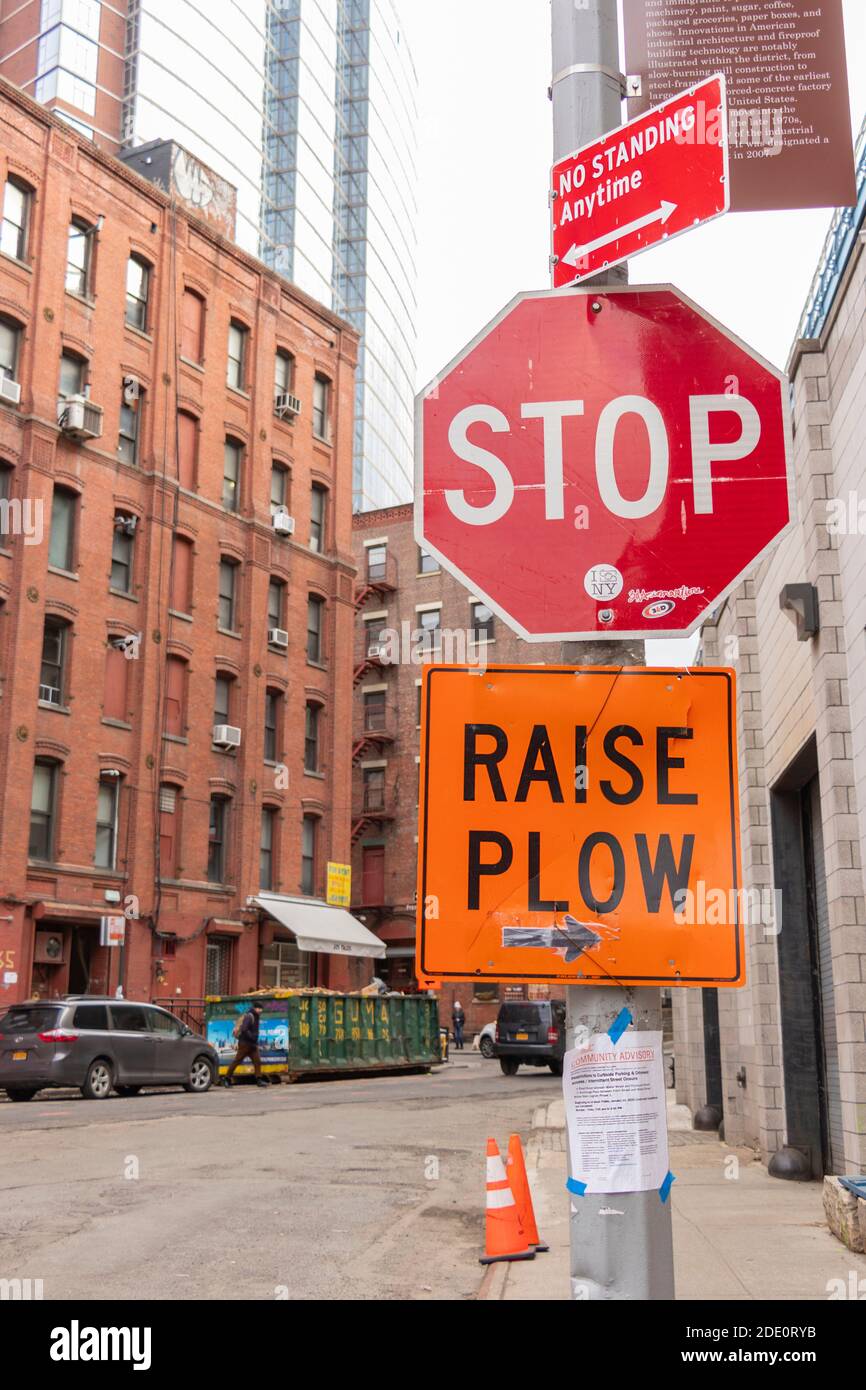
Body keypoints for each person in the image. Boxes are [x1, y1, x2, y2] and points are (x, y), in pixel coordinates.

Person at [222, 1003, 268, 1087]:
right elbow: (244, 1029)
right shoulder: (249, 1016)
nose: (261, 1011)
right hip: (245, 1044)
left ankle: (259, 1080)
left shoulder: (256, 1016)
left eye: (261, 1009)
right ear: (255, 1008)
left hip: (252, 1045)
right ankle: (227, 1079)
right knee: (237, 1061)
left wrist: (253, 1039)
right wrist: (252, 1037)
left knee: (257, 1061)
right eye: (260, 1009)